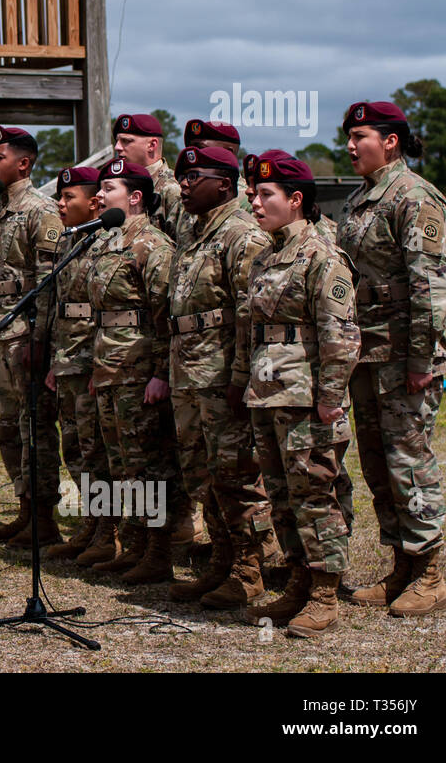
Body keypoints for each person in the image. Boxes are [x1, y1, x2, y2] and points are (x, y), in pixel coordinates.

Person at [337, 101, 446, 617]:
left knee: (409, 460)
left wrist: (420, 359)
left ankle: (429, 573)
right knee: (377, 463)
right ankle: (401, 565)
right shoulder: (362, 198)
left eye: (358, 135)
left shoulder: (415, 197)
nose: (348, 145)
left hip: (404, 352)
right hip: (368, 350)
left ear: (390, 140)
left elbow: (431, 286)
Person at [243, 152, 360, 637]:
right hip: (268, 392)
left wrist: (330, 396)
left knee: (314, 493)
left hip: (307, 395)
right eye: (252, 193)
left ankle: (324, 593)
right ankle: (297, 580)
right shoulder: (266, 255)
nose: (255, 201)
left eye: (265, 194)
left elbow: (342, 334)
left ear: (295, 200)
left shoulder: (322, 255)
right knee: (283, 495)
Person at [167, 146, 276, 608]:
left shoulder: (241, 234)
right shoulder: (194, 232)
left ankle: (250, 571)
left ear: (225, 184)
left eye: (194, 176)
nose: (184, 184)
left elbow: (250, 315)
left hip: (220, 376)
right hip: (189, 374)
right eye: (181, 176)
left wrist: (239, 377)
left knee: (235, 476)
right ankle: (221, 562)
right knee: (201, 475)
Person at [85, 158, 184, 583]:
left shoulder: (153, 246)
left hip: (140, 369)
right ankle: (135, 543)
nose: (100, 196)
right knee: (123, 464)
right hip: (110, 367)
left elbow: (165, 315)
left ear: (136, 197)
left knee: (150, 463)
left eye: (109, 188)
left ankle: (159, 551)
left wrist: (162, 371)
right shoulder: (107, 242)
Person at [0, 126, 64, 548]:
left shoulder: (41, 211)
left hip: (28, 332)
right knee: (10, 428)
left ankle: (44, 518)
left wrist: (40, 340)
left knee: (36, 429)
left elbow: (48, 283)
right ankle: (24, 509)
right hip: (2, 332)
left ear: (23, 163)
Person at [43, 166, 114, 563]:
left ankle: (109, 530)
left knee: (97, 451)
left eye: (70, 198)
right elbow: (61, 310)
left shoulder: (106, 243)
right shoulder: (69, 243)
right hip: (68, 360)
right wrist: (57, 360)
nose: (61, 204)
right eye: (60, 197)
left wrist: (93, 364)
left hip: (93, 362)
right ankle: (92, 522)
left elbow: (101, 314)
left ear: (93, 202)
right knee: (75, 448)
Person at [112, 113, 183, 244]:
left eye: (126, 141)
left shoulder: (172, 189)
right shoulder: (118, 186)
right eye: (117, 141)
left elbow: (181, 248)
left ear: (151, 145)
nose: (117, 147)